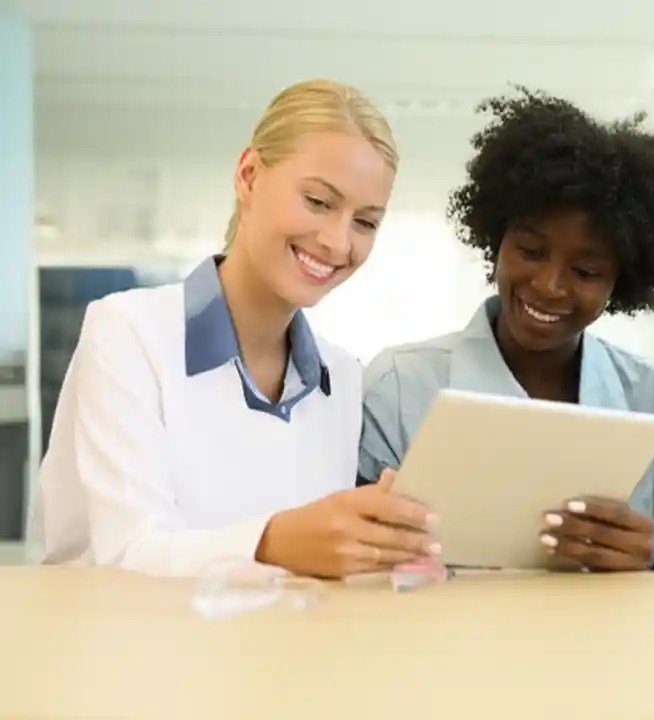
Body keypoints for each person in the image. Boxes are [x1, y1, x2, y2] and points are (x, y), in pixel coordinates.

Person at [35, 79, 439, 579]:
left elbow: (311, 575)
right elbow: (127, 555)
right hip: (130, 649)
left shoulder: (342, 377)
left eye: (366, 222)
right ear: (248, 176)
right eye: (317, 201)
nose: (338, 242)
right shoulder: (127, 332)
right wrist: (276, 541)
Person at [359, 88, 654, 572]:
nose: (548, 286)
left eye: (585, 272)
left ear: (621, 282)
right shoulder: (398, 386)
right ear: (496, 240)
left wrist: (640, 574)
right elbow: (356, 574)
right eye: (529, 251)